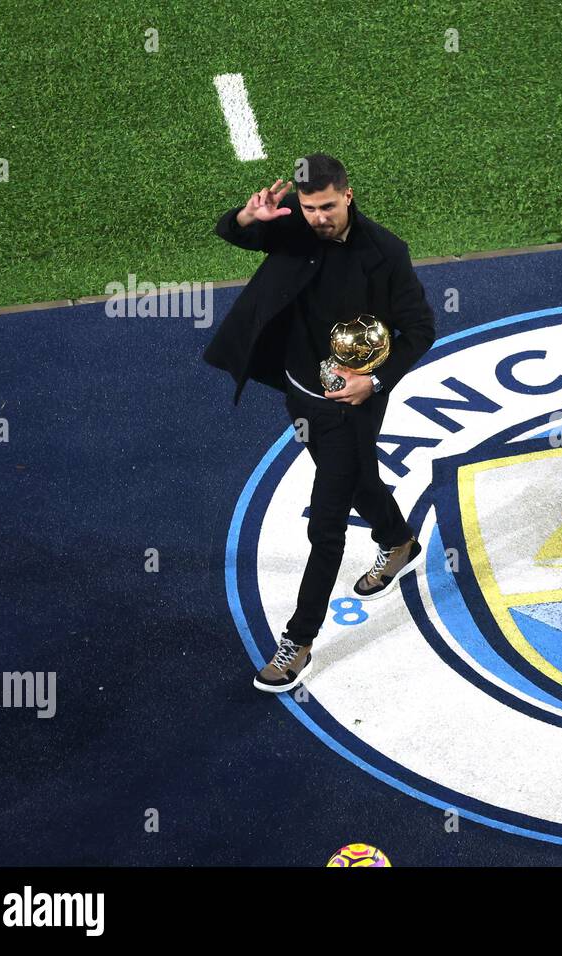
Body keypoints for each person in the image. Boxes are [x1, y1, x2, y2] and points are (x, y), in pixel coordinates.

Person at [203, 153, 436, 693]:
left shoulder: (385, 253)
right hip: (299, 390)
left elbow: (420, 328)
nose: (318, 217)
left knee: (325, 523)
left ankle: (298, 642)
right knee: (357, 479)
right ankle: (398, 541)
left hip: (351, 404)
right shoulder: (292, 221)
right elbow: (232, 235)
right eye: (308, 207)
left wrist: (373, 383)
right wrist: (246, 218)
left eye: (327, 206)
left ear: (348, 196)